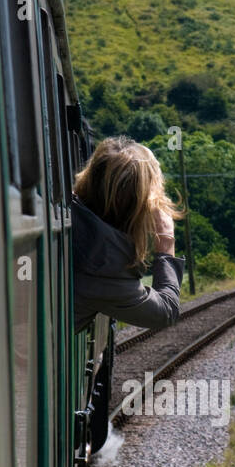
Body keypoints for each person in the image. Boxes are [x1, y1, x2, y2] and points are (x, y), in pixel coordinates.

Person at [71, 136, 185, 333]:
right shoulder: (105, 264)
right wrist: (165, 240)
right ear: (139, 208)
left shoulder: (72, 212)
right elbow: (166, 311)